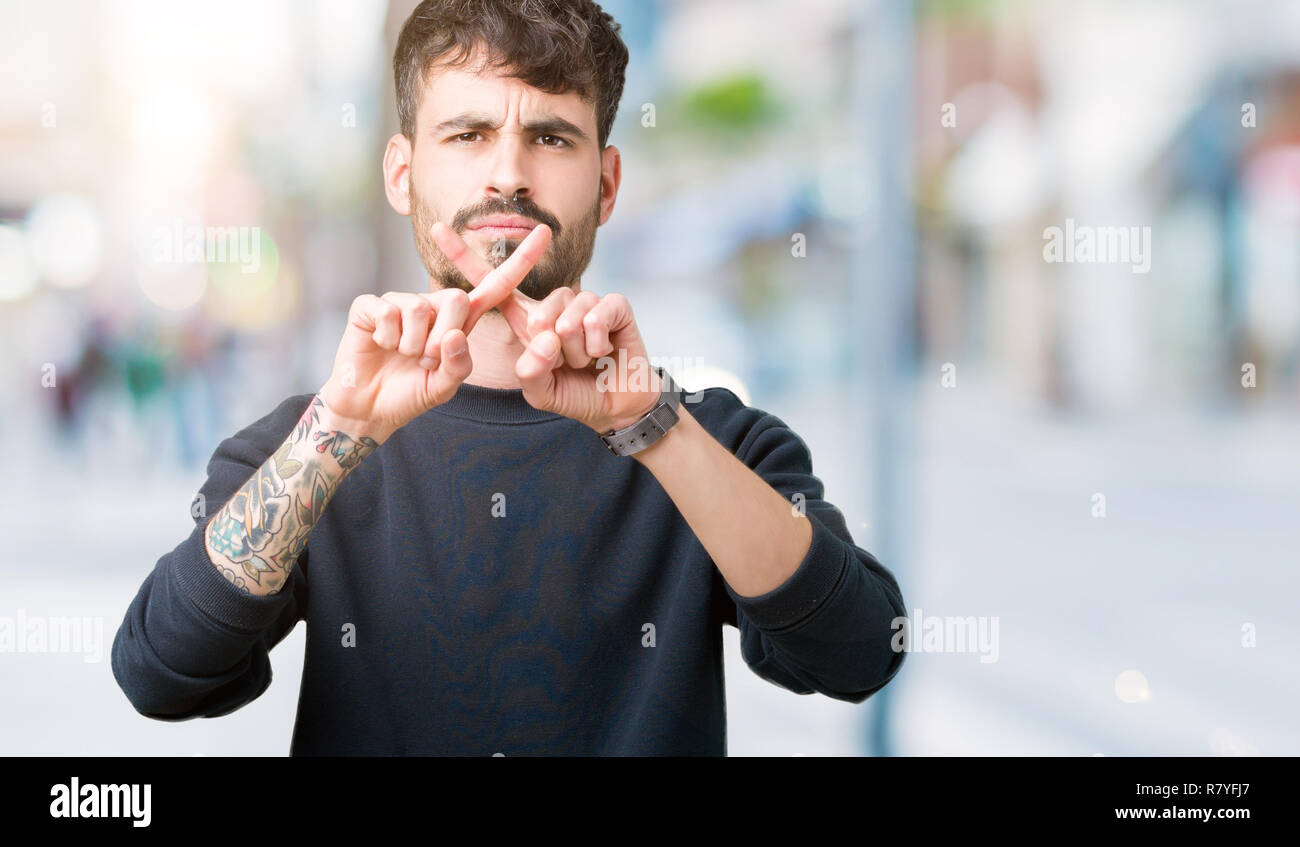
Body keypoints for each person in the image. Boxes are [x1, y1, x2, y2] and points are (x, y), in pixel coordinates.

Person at [110, 0, 906, 755]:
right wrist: (338, 435)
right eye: (466, 134)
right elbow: (159, 673)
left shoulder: (714, 439)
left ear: (607, 182)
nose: (508, 176)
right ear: (401, 173)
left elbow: (862, 651)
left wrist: (651, 425)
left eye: (553, 138)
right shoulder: (310, 437)